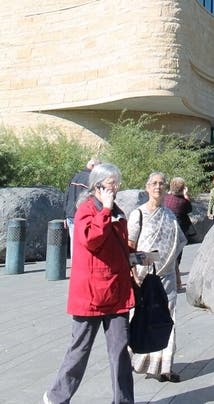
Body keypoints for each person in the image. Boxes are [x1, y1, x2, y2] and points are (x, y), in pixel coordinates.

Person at [44, 163, 137, 404]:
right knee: (79, 350)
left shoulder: (115, 209)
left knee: (120, 352)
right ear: (97, 186)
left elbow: (115, 244)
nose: (115, 188)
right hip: (91, 294)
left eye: (116, 183)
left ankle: (124, 401)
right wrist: (105, 211)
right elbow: (93, 240)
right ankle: (56, 397)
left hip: (115, 292)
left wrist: (134, 255)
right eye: (110, 184)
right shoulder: (86, 210)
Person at [128, 171, 186, 383]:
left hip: (167, 276)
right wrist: (133, 274)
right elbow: (129, 248)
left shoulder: (170, 216)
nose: (158, 187)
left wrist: (177, 275)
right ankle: (140, 361)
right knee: (142, 318)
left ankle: (165, 368)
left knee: (168, 320)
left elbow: (174, 249)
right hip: (143, 277)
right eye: (154, 183)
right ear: (147, 187)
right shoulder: (138, 215)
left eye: (162, 183)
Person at [163, 177, 193, 292]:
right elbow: (189, 209)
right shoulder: (183, 202)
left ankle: (174, 280)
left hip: (167, 230)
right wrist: (186, 195)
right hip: (179, 232)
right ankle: (176, 281)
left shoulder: (166, 198)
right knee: (177, 257)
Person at [64, 157, 98, 250]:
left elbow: (66, 196)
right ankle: (77, 264)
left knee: (73, 243)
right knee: (82, 244)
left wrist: (64, 215)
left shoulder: (75, 176)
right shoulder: (90, 179)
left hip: (70, 214)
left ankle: (73, 264)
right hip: (82, 215)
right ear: (93, 166)